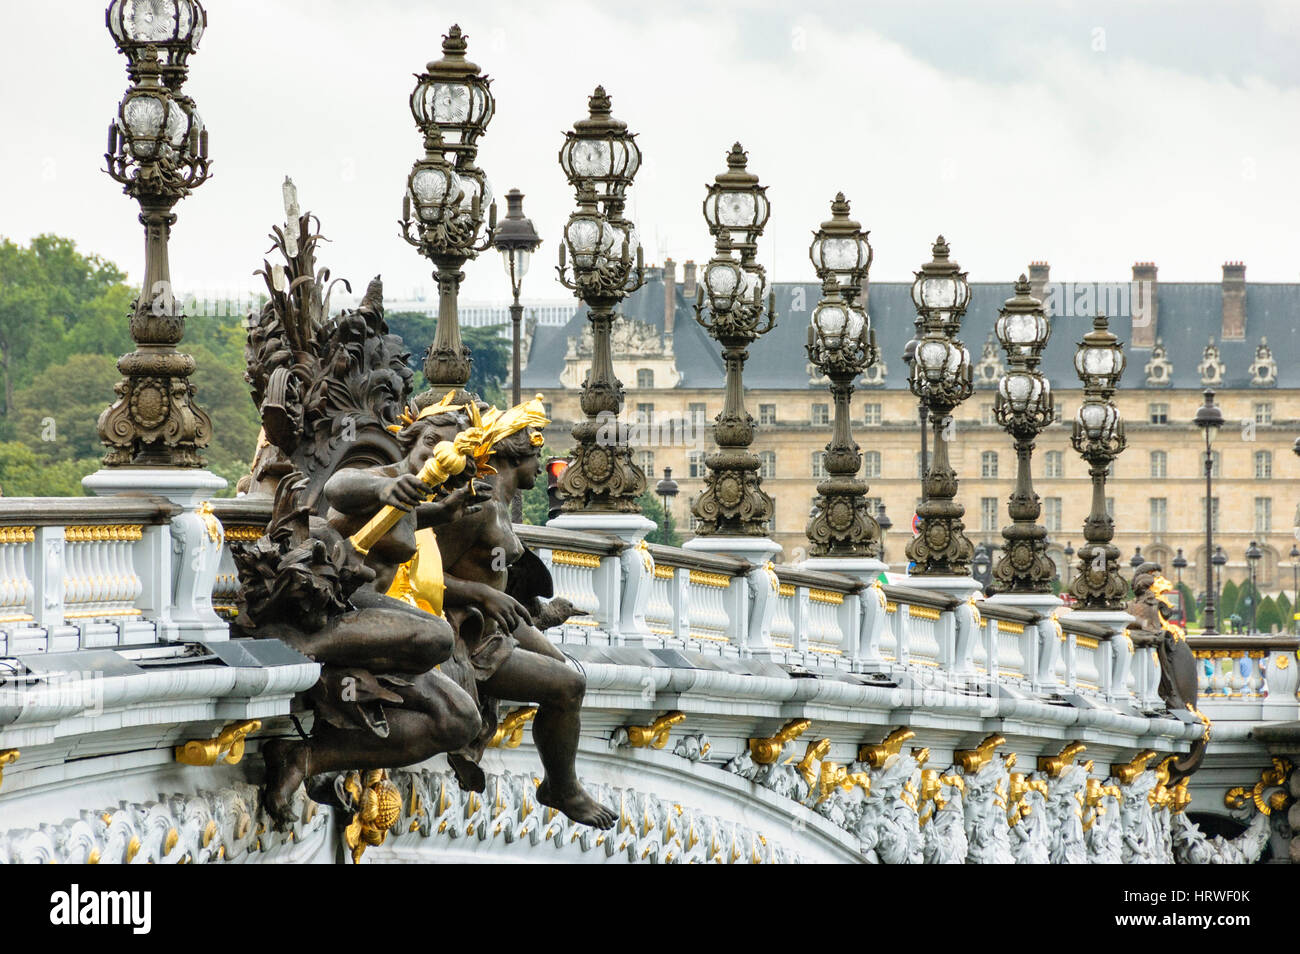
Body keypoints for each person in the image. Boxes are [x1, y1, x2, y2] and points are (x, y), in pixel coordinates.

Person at [254, 413, 490, 827]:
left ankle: (305, 758)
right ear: (410, 441)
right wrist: (385, 486)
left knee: (461, 720)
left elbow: (400, 525)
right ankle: (302, 647)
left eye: (447, 449)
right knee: (437, 636)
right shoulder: (377, 477)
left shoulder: (414, 499)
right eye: (430, 442)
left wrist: (445, 511)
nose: (436, 454)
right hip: (341, 599)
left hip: (368, 613)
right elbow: (337, 488)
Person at [434, 396, 617, 830]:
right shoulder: (477, 508)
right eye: (536, 454)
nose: (542, 465)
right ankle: (562, 788)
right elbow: (421, 573)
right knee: (568, 686)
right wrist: (481, 594)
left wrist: (543, 614)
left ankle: (552, 777)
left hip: (498, 627)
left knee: (569, 675)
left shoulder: (501, 508)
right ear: (512, 454)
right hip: (469, 636)